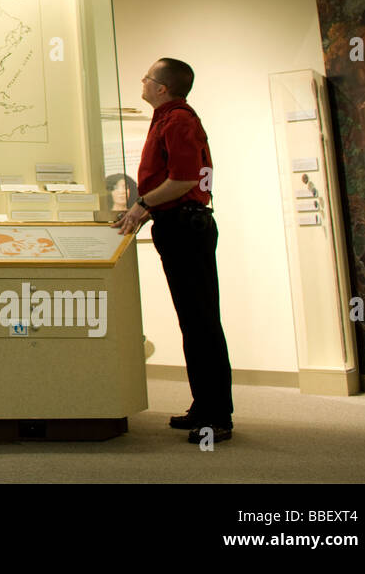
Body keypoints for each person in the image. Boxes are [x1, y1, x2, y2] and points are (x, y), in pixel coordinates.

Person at [112, 58, 233, 444]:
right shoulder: (171, 118)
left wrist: (142, 205)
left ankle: (216, 416)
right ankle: (204, 407)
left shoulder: (178, 120)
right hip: (180, 224)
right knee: (194, 322)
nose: (142, 81)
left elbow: (182, 180)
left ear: (162, 87)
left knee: (200, 323)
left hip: (186, 227)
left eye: (147, 77)